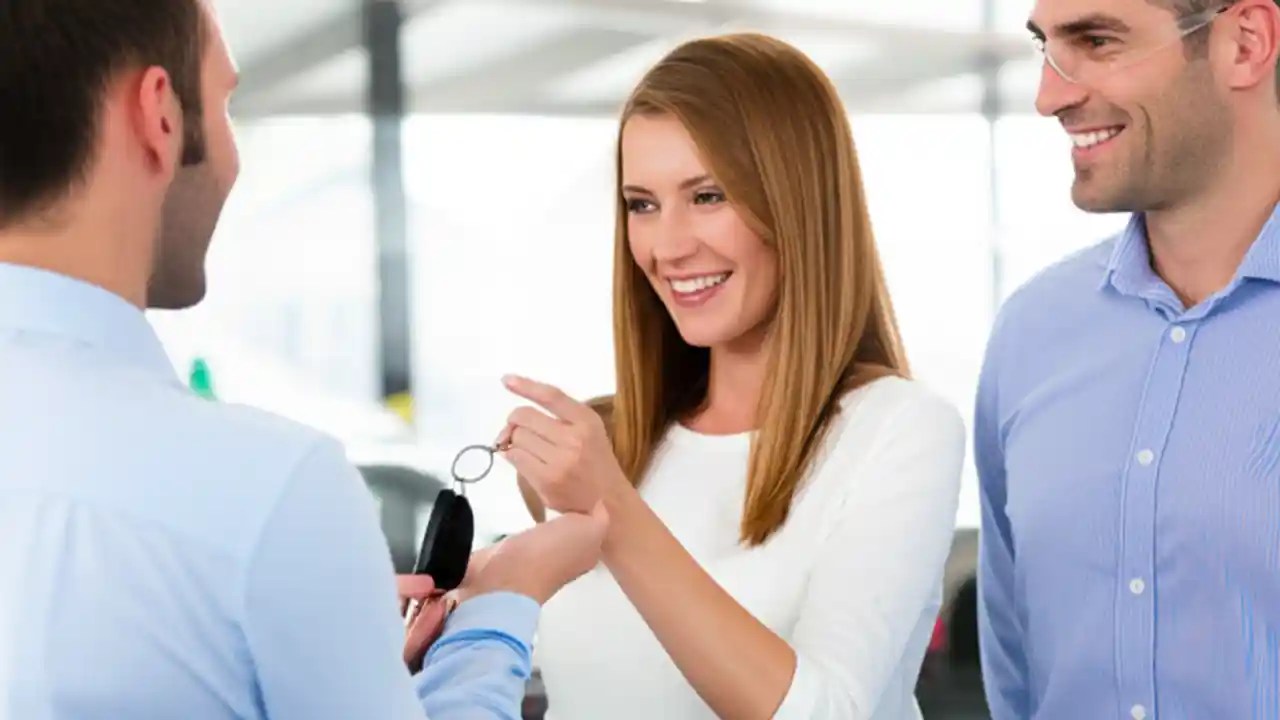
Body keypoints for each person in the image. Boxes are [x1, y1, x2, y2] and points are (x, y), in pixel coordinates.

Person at [0, 1, 605, 718]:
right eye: (226, 104)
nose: (230, 154)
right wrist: (499, 608)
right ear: (159, 116)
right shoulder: (264, 491)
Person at [495, 33, 967, 719]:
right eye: (642, 204)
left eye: (709, 195)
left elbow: (827, 710)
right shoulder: (610, 442)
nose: (669, 246)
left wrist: (616, 511)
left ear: (798, 202)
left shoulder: (900, 430)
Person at [976, 1, 1280, 718]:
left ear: (1245, 43)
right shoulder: (1032, 334)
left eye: (1097, 40)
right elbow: (1014, 672)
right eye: (1045, 47)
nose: (1050, 95)